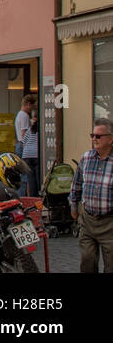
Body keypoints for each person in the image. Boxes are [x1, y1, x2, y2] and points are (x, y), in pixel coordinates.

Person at [70, 117, 113, 273]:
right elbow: (77, 184)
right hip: (88, 220)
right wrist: (73, 206)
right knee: (87, 262)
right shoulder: (86, 158)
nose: (94, 139)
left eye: (98, 136)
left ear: (111, 138)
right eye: (92, 135)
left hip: (110, 223)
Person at [15, 95, 39, 197]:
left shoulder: (19, 114)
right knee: (27, 176)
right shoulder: (24, 116)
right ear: (28, 104)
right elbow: (24, 133)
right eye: (32, 106)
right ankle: (25, 197)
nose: (32, 109)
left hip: (21, 146)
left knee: (25, 174)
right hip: (24, 146)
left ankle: (25, 196)